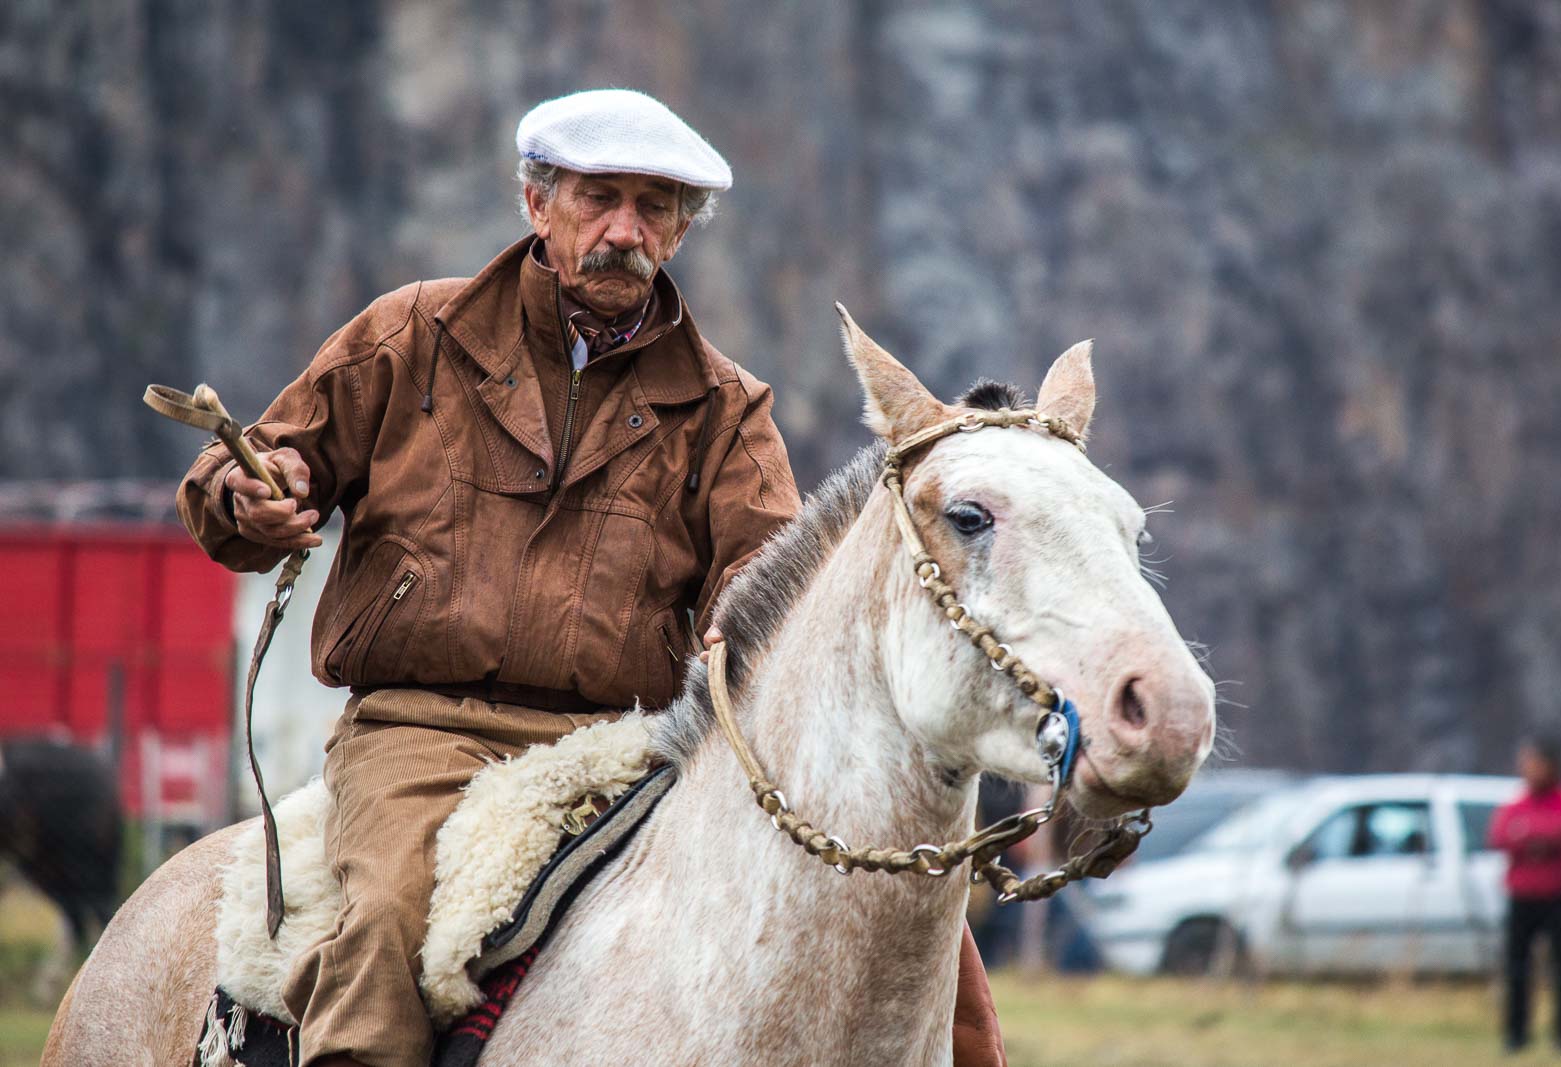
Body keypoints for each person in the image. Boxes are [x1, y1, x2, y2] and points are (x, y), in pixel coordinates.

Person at [177, 88, 1006, 1067]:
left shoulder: (725, 408)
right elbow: (247, 471)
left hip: (630, 744)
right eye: (599, 197)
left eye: (654, 207)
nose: (625, 229)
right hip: (420, 726)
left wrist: (750, 631)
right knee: (387, 926)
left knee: (923, 945)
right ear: (537, 204)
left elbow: (774, 578)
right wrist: (253, 496)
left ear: (682, 229)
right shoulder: (408, 336)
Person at [1489, 737, 1561, 1055]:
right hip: (1521, 897)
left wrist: (1528, 836)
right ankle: (1516, 1034)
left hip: (1557, 896)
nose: (1528, 769)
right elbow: (1500, 836)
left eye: (1534, 763)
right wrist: (1535, 839)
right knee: (1517, 968)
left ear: (1551, 766)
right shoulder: (1515, 802)